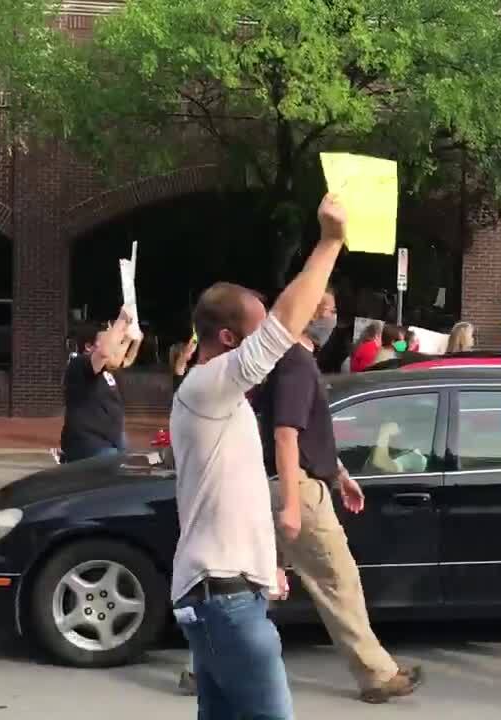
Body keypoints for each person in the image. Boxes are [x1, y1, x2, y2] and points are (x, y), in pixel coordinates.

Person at [170, 193, 345, 720]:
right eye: (258, 326)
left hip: (227, 591)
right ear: (228, 338)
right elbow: (282, 329)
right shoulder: (207, 387)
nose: (277, 336)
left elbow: (236, 487)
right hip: (224, 601)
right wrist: (330, 242)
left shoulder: (223, 402)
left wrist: (264, 563)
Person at [258, 289, 422, 703]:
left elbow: (311, 436)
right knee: (337, 579)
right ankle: (376, 674)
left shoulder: (289, 361)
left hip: (280, 483)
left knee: (248, 584)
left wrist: (340, 474)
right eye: (329, 311)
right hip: (296, 486)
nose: (334, 319)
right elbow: (286, 434)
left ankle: (203, 667)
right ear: (308, 314)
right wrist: (295, 500)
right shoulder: (295, 363)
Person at [58, 311, 142, 463]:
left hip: (112, 440)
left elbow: (117, 358)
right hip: (90, 445)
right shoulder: (79, 364)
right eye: (108, 338)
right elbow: (105, 352)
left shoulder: (107, 368)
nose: (114, 342)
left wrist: (130, 338)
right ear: (89, 346)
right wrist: (122, 319)